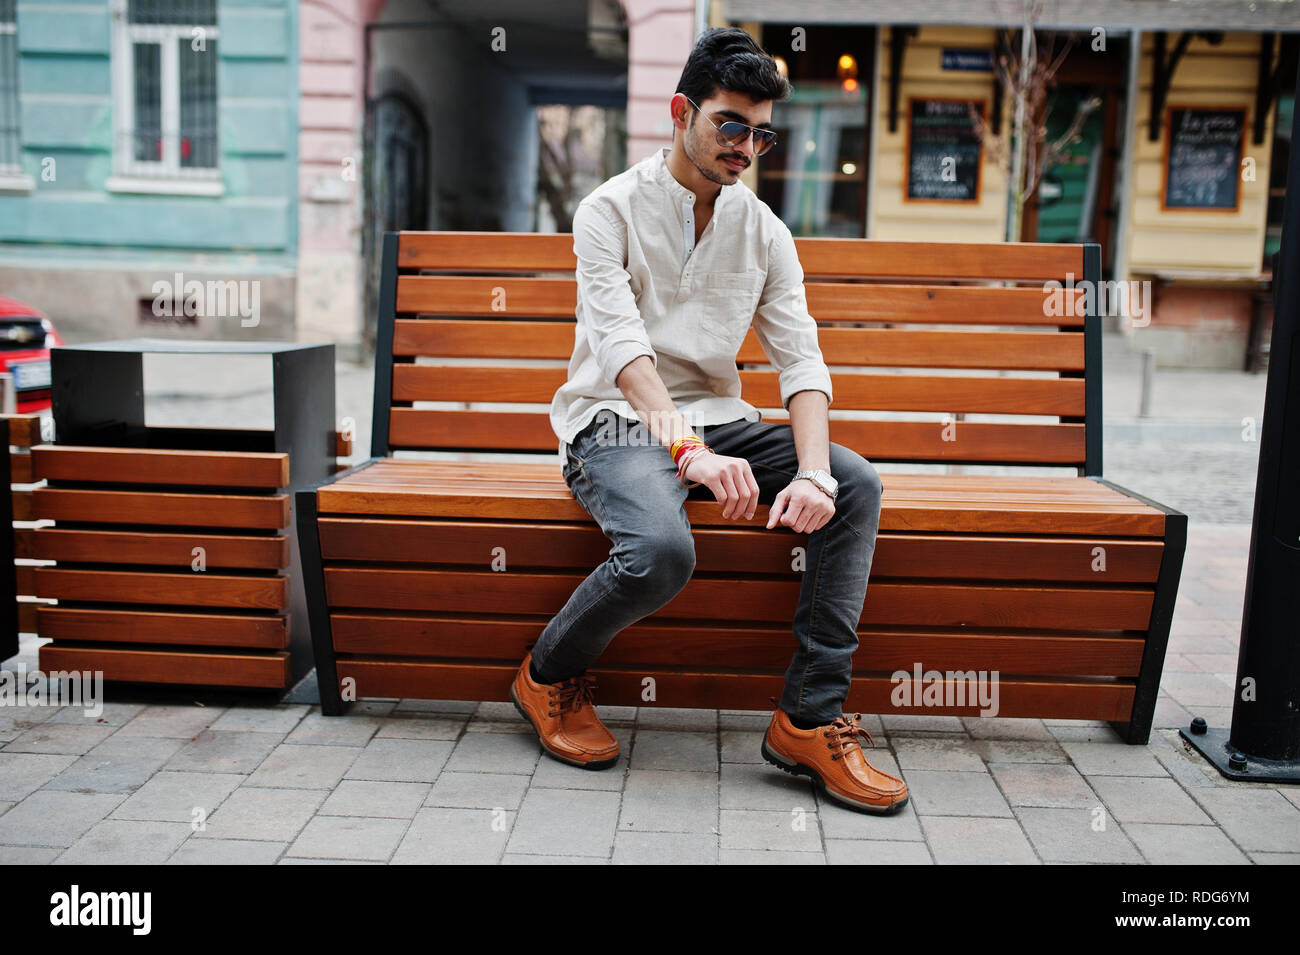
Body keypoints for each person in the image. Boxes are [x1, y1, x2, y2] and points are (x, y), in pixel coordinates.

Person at [509, 27, 908, 815]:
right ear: (681, 112)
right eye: (731, 125)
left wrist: (817, 471)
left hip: (720, 421)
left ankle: (809, 717)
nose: (747, 146)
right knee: (661, 549)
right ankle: (547, 673)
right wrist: (686, 451)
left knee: (857, 482)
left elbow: (801, 361)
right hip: (616, 422)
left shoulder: (764, 231)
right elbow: (622, 349)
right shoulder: (608, 209)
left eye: (762, 132)